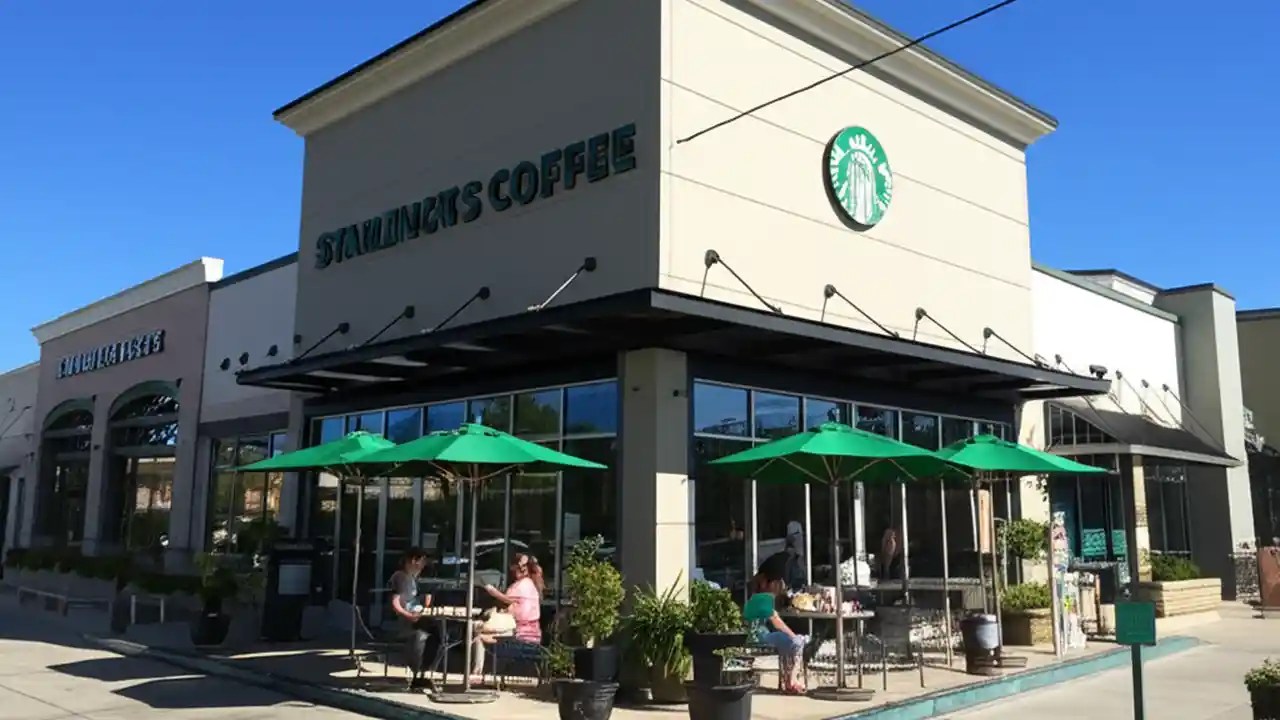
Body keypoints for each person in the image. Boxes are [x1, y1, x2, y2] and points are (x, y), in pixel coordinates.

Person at [388, 548, 489, 688]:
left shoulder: (412, 578)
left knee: (441, 635)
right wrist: (409, 616)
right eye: (422, 561)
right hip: (408, 622)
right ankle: (426, 673)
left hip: (416, 617)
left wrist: (426, 602)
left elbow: (416, 600)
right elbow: (395, 602)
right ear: (413, 561)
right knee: (440, 635)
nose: (424, 565)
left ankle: (427, 673)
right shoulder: (401, 577)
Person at [745, 573, 807, 694]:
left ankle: (788, 679)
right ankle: (792, 680)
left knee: (789, 640)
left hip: (754, 635)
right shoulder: (764, 599)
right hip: (759, 637)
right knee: (795, 641)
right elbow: (777, 622)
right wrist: (793, 635)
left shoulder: (755, 598)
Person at [482, 553, 544, 645]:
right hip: (534, 636)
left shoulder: (521, 586)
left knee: (480, 634)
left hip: (519, 635)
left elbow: (505, 600)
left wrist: (492, 591)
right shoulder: (532, 585)